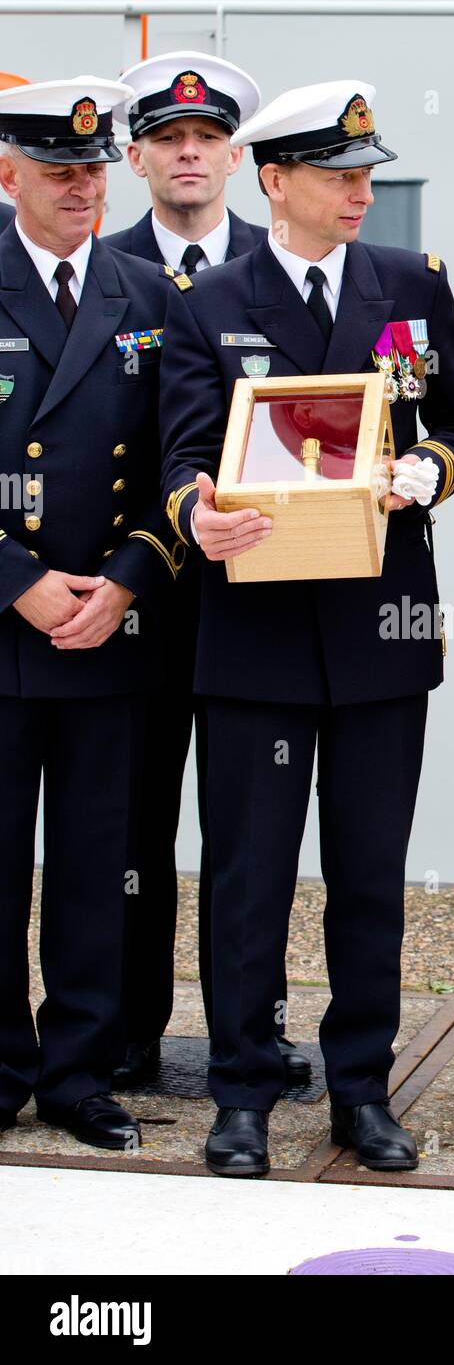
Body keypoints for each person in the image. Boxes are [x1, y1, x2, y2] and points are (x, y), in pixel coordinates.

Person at [160, 80, 454, 1178]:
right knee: (248, 876)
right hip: (251, 631)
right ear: (274, 183)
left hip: (376, 629)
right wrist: (195, 514)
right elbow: (182, 450)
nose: (360, 191)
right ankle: (243, 1091)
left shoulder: (409, 285)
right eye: (337, 175)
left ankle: (361, 1089)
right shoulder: (211, 299)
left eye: (364, 173)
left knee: (367, 875)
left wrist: (422, 470)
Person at [100, 53, 309, 1091]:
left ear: (237, 156)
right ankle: (129, 1034)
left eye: (205, 140)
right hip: (133, 598)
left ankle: (252, 1040)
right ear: (136, 157)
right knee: (130, 829)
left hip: (255, 598)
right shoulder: (101, 271)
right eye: (166, 140)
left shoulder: (285, 270)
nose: (187, 155)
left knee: (250, 841)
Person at [0, 76, 184, 1150]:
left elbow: (180, 457)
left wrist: (125, 575)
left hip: (107, 626)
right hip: (4, 617)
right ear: (9, 173)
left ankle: (78, 1073)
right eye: (61, 171)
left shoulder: (145, 293)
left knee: (91, 862)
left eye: (94, 169)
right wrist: (15, 578)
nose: (83, 188)